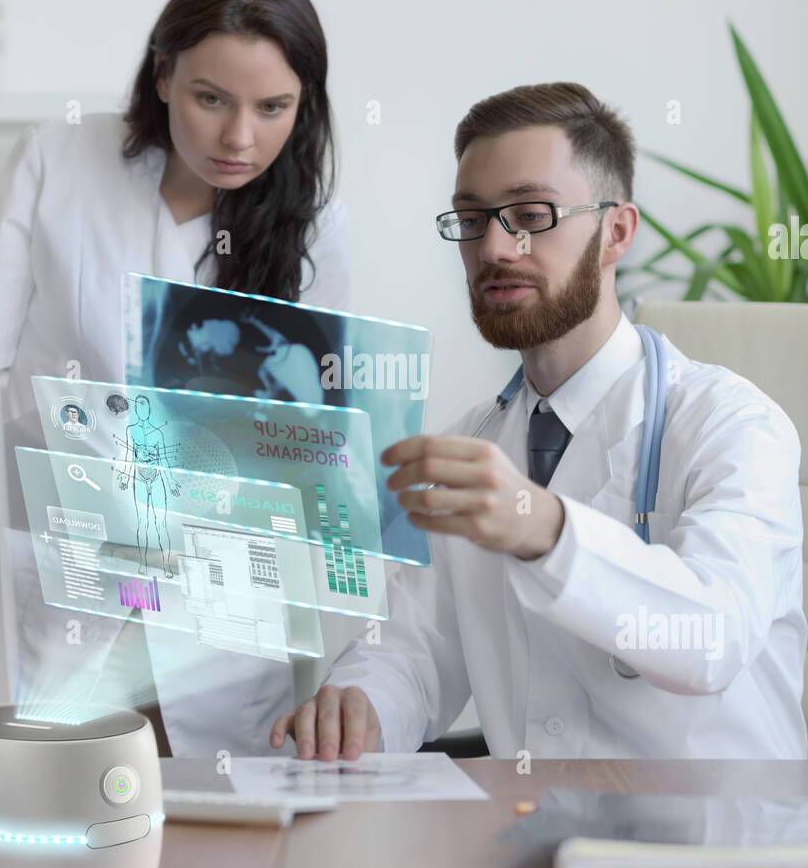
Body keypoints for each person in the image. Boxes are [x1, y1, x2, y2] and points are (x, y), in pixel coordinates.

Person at [271, 82, 808, 762]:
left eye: (530, 213)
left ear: (615, 231)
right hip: (530, 843)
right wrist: (359, 705)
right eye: (471, 218)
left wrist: (545, 531)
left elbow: (715, 637)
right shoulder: (472, 445)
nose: (494, 247)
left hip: (714, 851)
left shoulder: (732, 423)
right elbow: (414, 649)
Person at [0, 0, 350, 755]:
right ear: (161, 76)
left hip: (216, 613)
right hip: (62, 576)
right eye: (210, 98)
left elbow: (323, 434)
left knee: (207, 843)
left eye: (273, 106)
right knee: (46, 811)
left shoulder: (314, 222)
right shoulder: (55, 160)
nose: (239, 137)